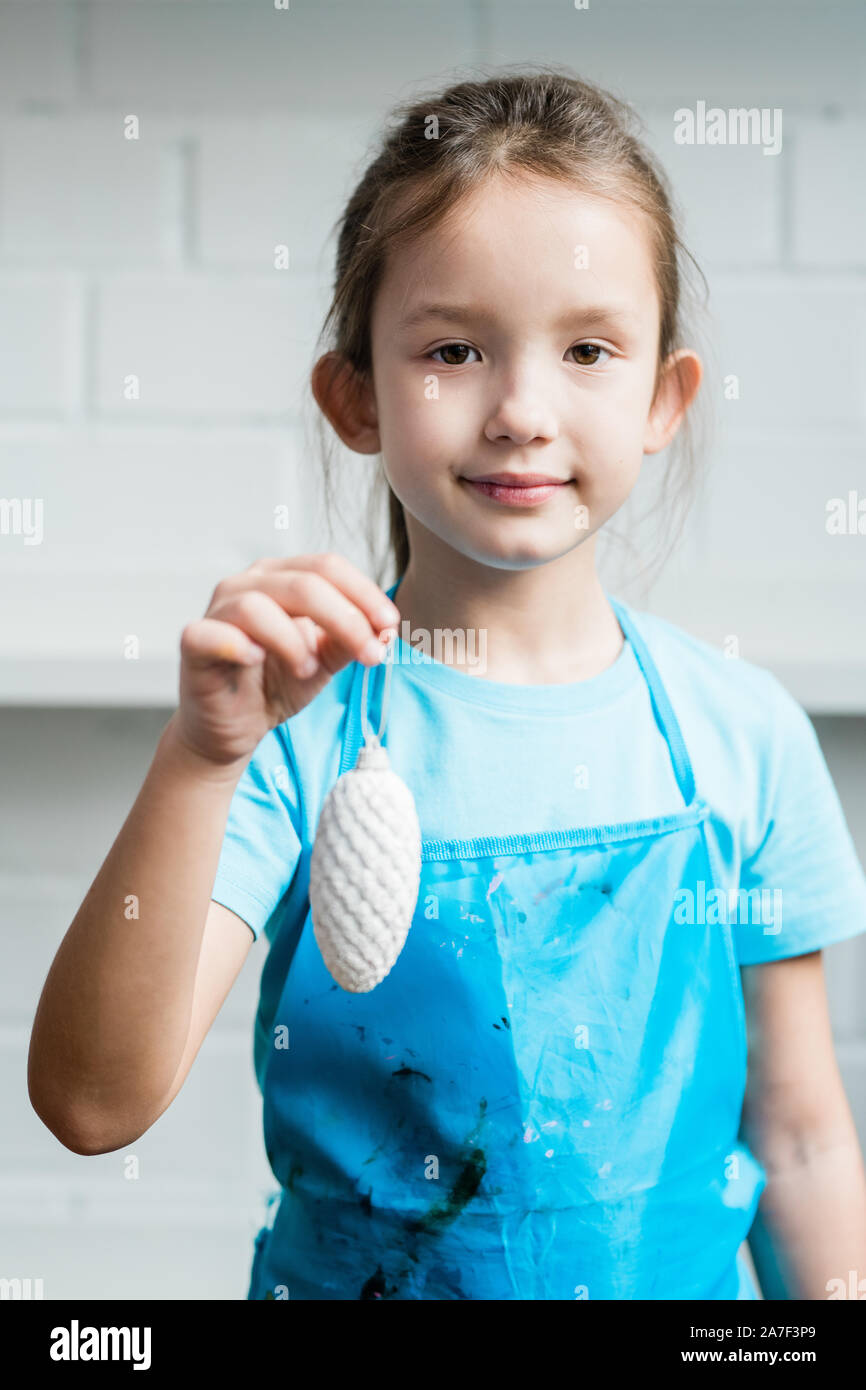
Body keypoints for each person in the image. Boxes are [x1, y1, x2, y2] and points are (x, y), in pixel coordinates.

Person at [29, 68, 866, 1301]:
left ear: (660, 399)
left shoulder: (740, 737)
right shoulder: (284, 738)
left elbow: (796, 1137)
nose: (522, 410)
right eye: (453, 348)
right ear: (355, 395)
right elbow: (92, 1104)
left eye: (586, 348)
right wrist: (198, 761)